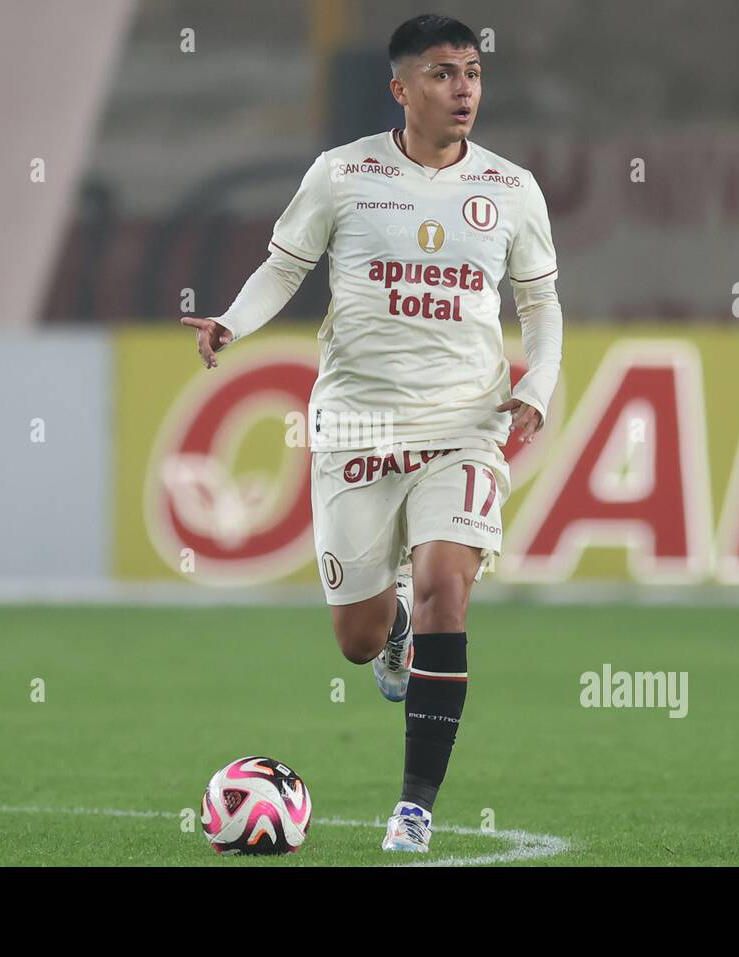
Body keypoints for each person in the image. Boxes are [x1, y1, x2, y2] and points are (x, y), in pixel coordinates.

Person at [180, 13, 563, 852]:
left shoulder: (511, 189)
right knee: (359, 638)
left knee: (443, 591)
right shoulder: (343, 174)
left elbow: (539, 303)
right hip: (356, 423)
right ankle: (388, 633)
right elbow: (285, 265)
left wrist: (541, 380)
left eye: (471, 72)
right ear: (401, 88)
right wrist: (234, 324)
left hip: (465, 423)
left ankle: (415, 807)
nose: (463, 87)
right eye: (441, 73)